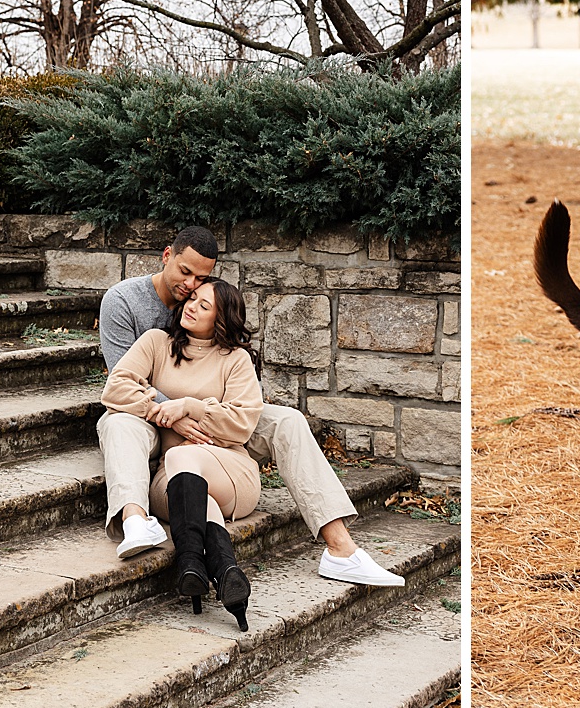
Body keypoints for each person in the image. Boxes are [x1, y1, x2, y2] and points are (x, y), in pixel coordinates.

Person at [96, 225, 405, 587]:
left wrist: (191, 407)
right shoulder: (125, 302)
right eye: (185, 273)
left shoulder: (219, 337)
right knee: (117, 421)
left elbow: (233, 399)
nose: (192, 286)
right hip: (150, 413)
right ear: (167, 256)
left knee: (287, 420)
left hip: (203, 410)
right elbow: (121, 379)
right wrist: (175, 413)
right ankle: (136, 521)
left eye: (202, 279)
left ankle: (341, 548)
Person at [101, 279, 259, 627]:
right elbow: (115, 389)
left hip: (228, 469)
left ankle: (190, 562)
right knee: (183, 474)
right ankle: (223, 568)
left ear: (221, 319)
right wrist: (161, 411)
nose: (191, 306)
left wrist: (192, 407)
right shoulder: (157, 342)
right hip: (170, 483)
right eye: (192, 299)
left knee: (180, 458)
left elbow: (242, 423)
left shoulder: (236, 360)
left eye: (204, 306)